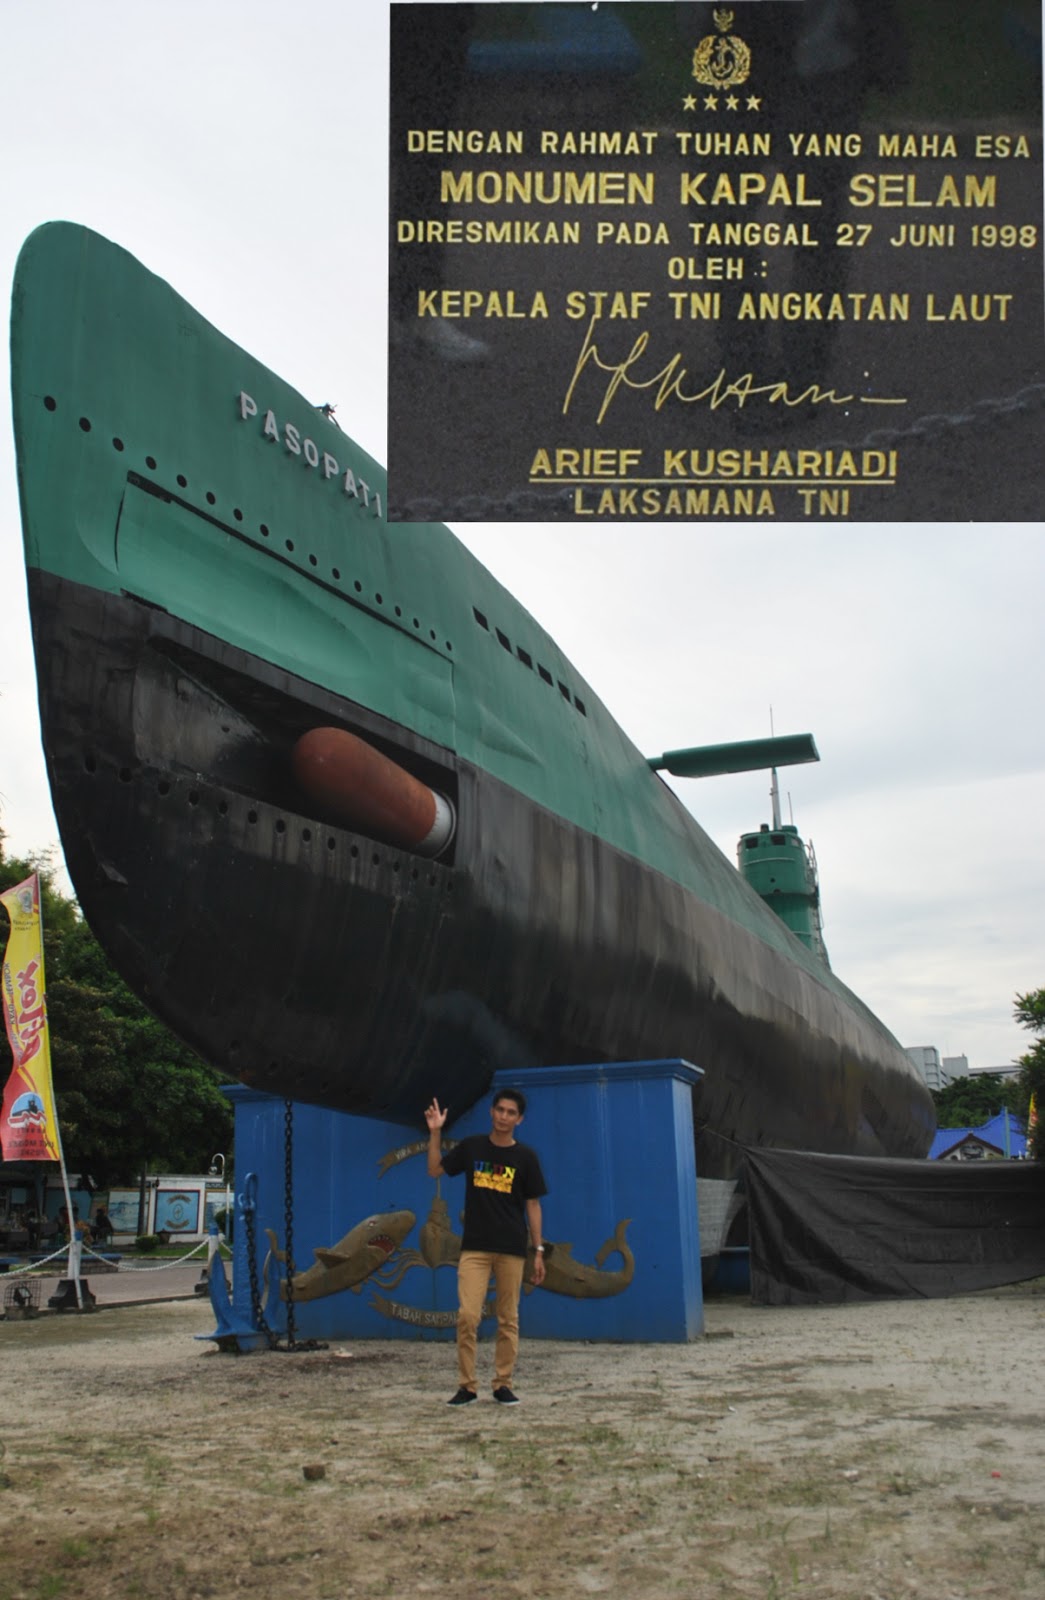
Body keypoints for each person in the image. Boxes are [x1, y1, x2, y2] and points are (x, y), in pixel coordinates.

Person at [425, 1087, 547, 1406]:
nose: (504, 1117)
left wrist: (538, 1251)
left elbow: (533, 1205)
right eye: (500, 1110)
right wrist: (436, 1133)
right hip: (475, 1248)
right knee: (467, 1315)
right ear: (491, 1112)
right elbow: (435, 1169)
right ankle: (467, 1386)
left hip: (511, 1248)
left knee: (508, 1317)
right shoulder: (472, 1147)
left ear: (519, 1119)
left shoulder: (526, 1158)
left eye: (511, 1113)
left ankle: (502, 1383)